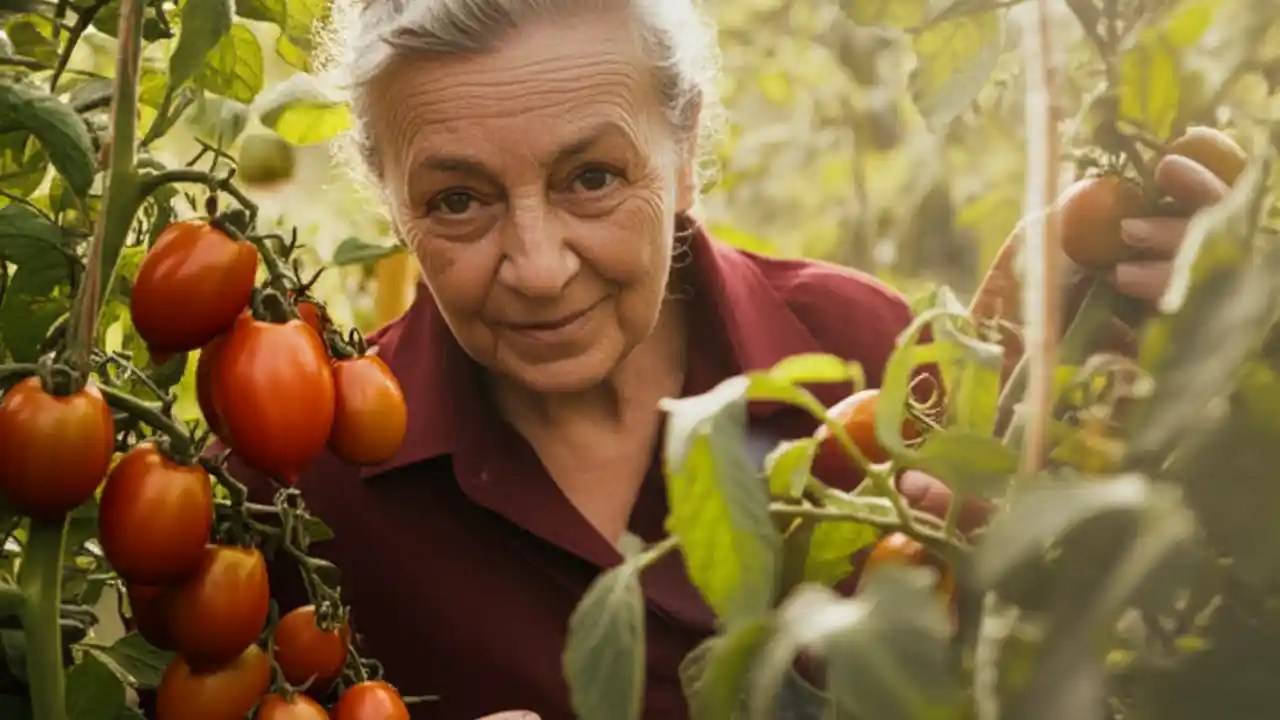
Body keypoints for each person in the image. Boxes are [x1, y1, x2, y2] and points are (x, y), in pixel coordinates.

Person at [226, 1, 1232, 718]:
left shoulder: (857, 354)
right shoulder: (306, 483)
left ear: (685, 152)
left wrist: (1056, 382)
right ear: (385, 191)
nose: (535, 268)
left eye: (589, 177)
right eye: (457, 200)